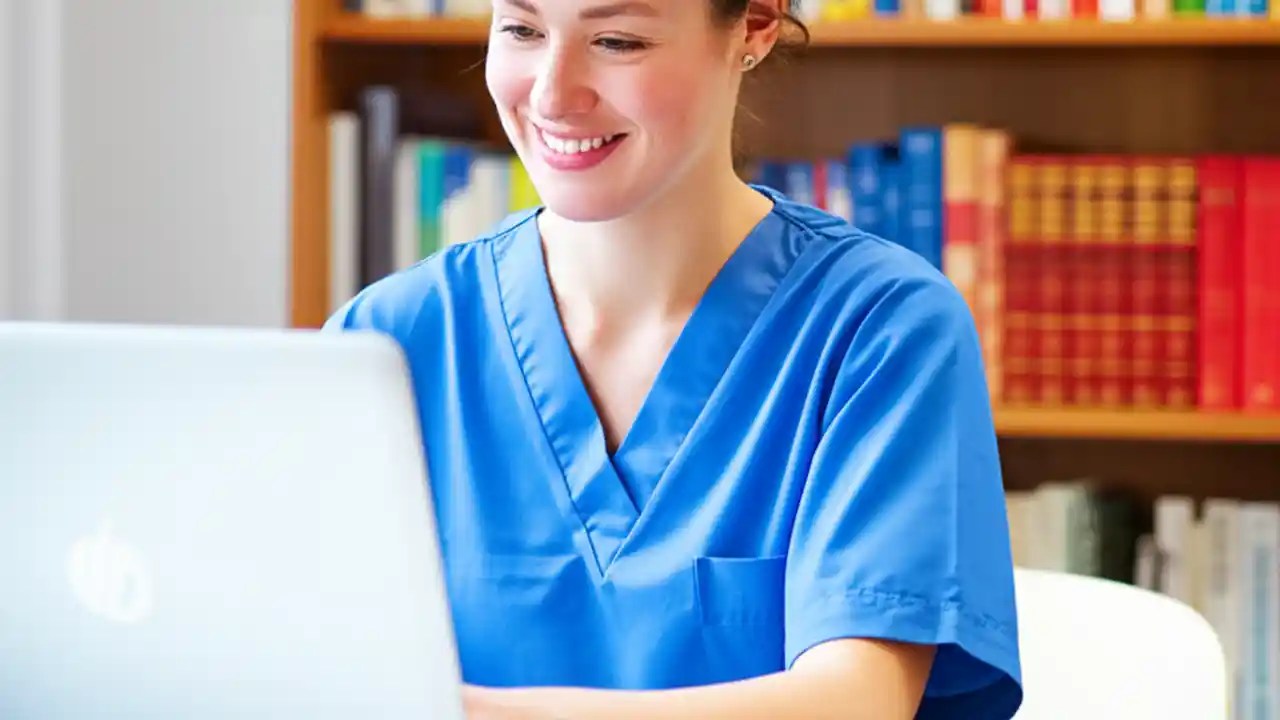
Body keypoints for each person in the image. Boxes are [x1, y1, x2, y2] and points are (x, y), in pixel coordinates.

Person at [324, 0, 1023, 717]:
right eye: (522, 31)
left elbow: (857, 703)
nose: (553, 94)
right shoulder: (388, 342)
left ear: (754, 24)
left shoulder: (880, 328)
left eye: (616, 41)